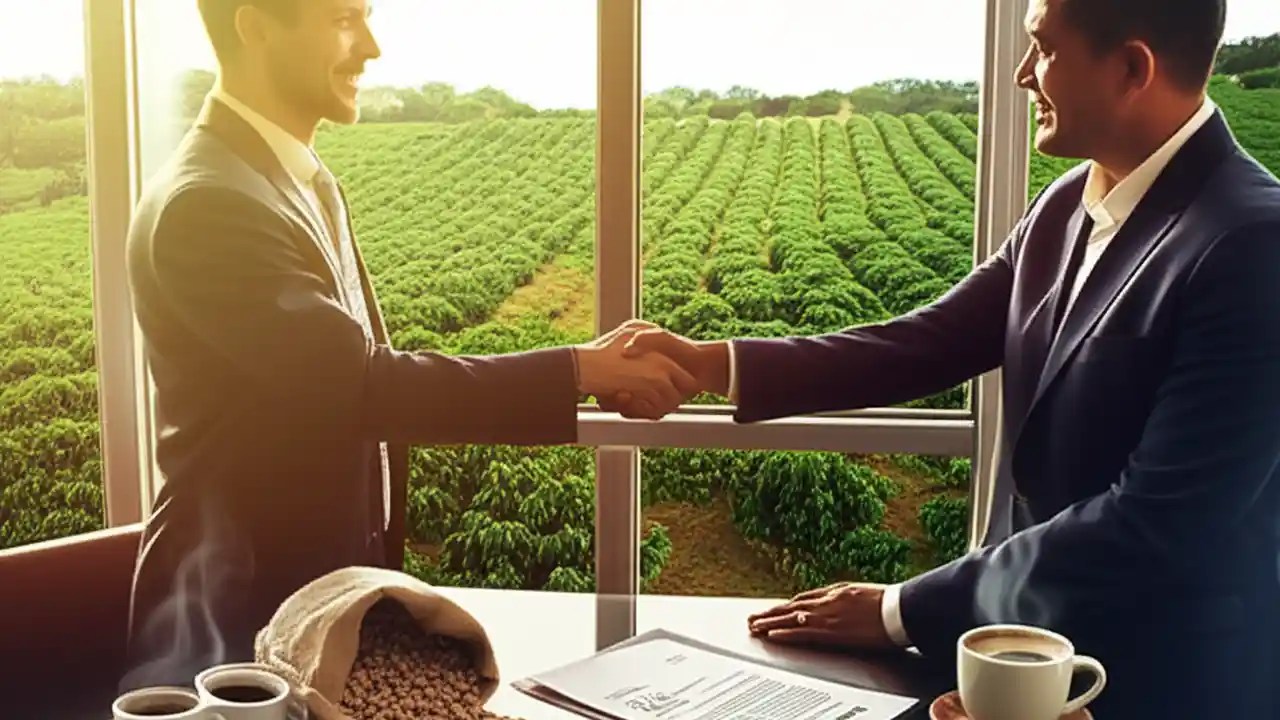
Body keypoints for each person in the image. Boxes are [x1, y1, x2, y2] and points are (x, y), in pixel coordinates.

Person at [620, 0, 1280, 716]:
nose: (1023, 73)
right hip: (1031, 657)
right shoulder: (1066, 204)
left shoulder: (1253, 242)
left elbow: (1160, 519)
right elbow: (926, 342)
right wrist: (710, 364)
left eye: (1043, 49)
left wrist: (898, 610)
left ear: (1130, 68)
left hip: (1163, 684)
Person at [120, 0, 694, 690]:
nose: (371, 47)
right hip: (232, 629)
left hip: (307, 609)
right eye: (343, 19)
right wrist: (577, 369)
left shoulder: (282, 177)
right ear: (256, 27)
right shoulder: (210, 203)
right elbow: (362, 385)